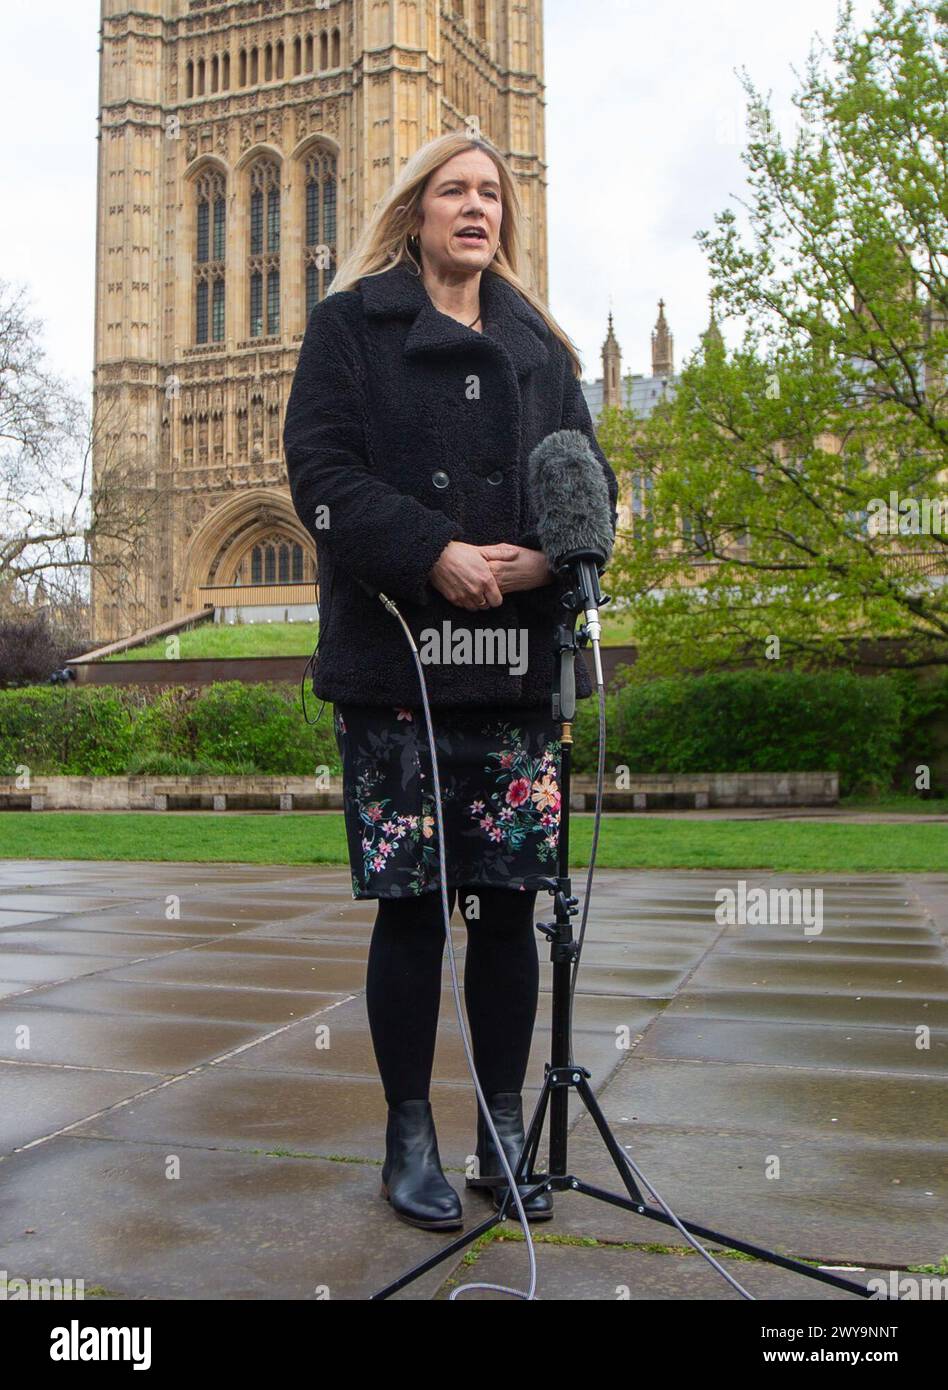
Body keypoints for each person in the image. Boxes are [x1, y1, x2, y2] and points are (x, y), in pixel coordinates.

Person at [283, 130, 618, 1232]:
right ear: (417, 211)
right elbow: (321, 475)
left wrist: (548, 554)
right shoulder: (350, 327)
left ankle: (503, 1132)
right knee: (415, 916)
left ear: (505, 221)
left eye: (491, 194)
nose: (475, 207)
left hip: (516, 669)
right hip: (397, 667)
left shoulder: (542, 349)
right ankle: (408, 1134)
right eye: (453, 191)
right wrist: (431, 547)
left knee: (510, 910)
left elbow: (588, 484)